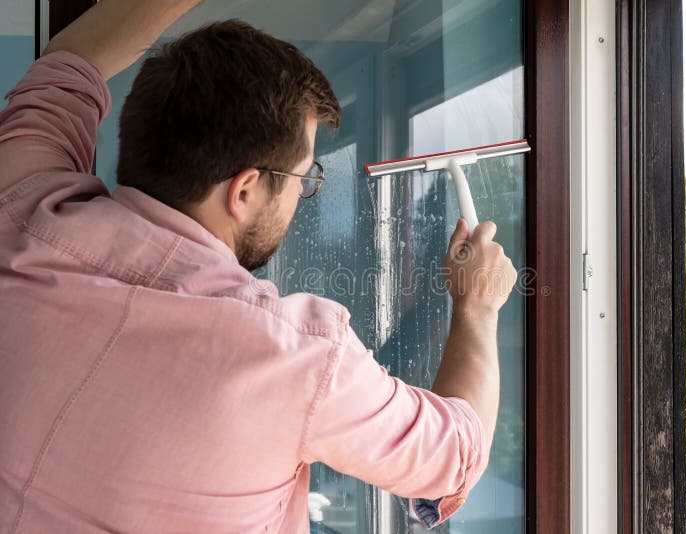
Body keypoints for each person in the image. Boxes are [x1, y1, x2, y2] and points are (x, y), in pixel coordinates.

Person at [0, 1, 518, 532]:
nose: (303, 195)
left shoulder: (20, 203)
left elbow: (68, 63)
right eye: (304, 178)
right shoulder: (293, 357)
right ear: (245, 189)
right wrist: (477, 307)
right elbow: (454, 456)